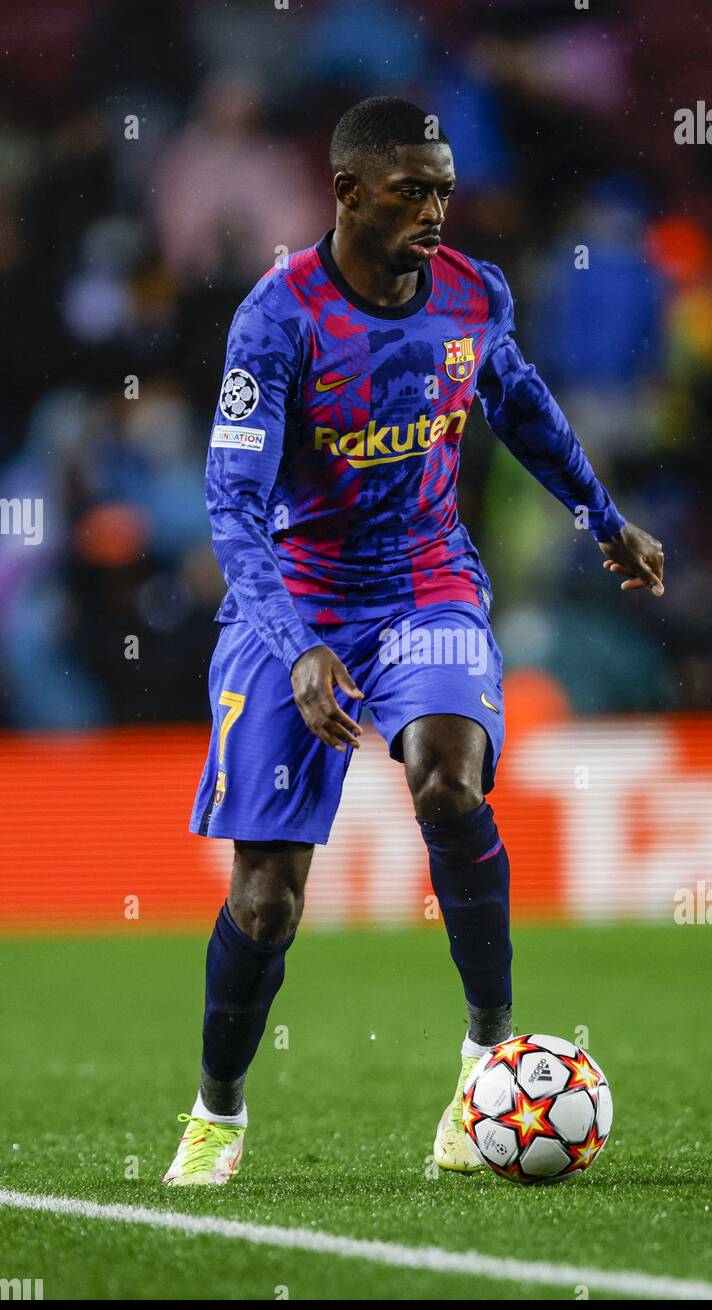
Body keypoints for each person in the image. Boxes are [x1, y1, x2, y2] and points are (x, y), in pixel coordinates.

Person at [162, 96, 664, 1186]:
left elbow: (519, 404)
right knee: (266, 899)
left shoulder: (473, 295)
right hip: (289, 598)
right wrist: (296, 644)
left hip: (425, 584)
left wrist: (601, 515)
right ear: (346, 191)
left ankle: (485, 1056)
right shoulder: (277, 314)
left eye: (442, 187)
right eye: (411, 189)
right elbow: (233, 504)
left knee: (448, 779)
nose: (436, 208)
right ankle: (217, 1111)